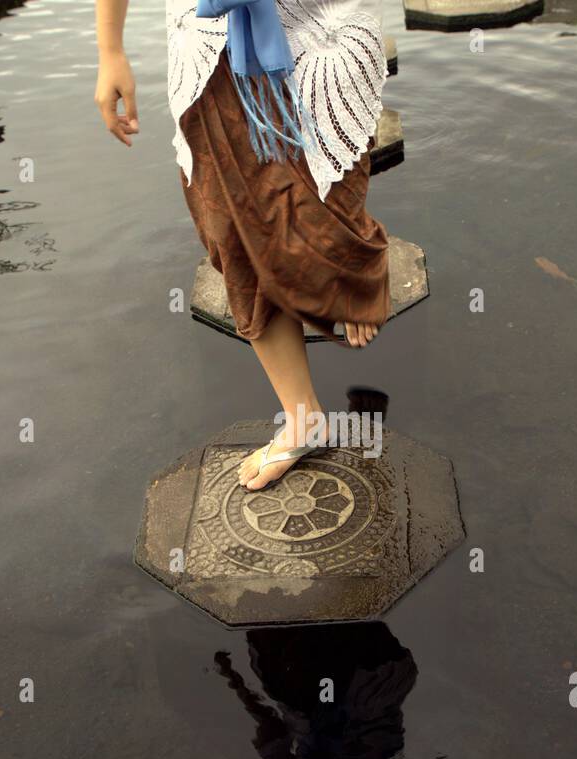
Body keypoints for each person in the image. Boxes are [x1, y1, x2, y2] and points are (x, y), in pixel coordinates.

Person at [94, 0, 391, 490]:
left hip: (320, 26)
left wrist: (348, 261)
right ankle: (303, 417)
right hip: (208, 39)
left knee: (328, 206)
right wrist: (110, 50)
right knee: (232, 229)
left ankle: (350, 270)